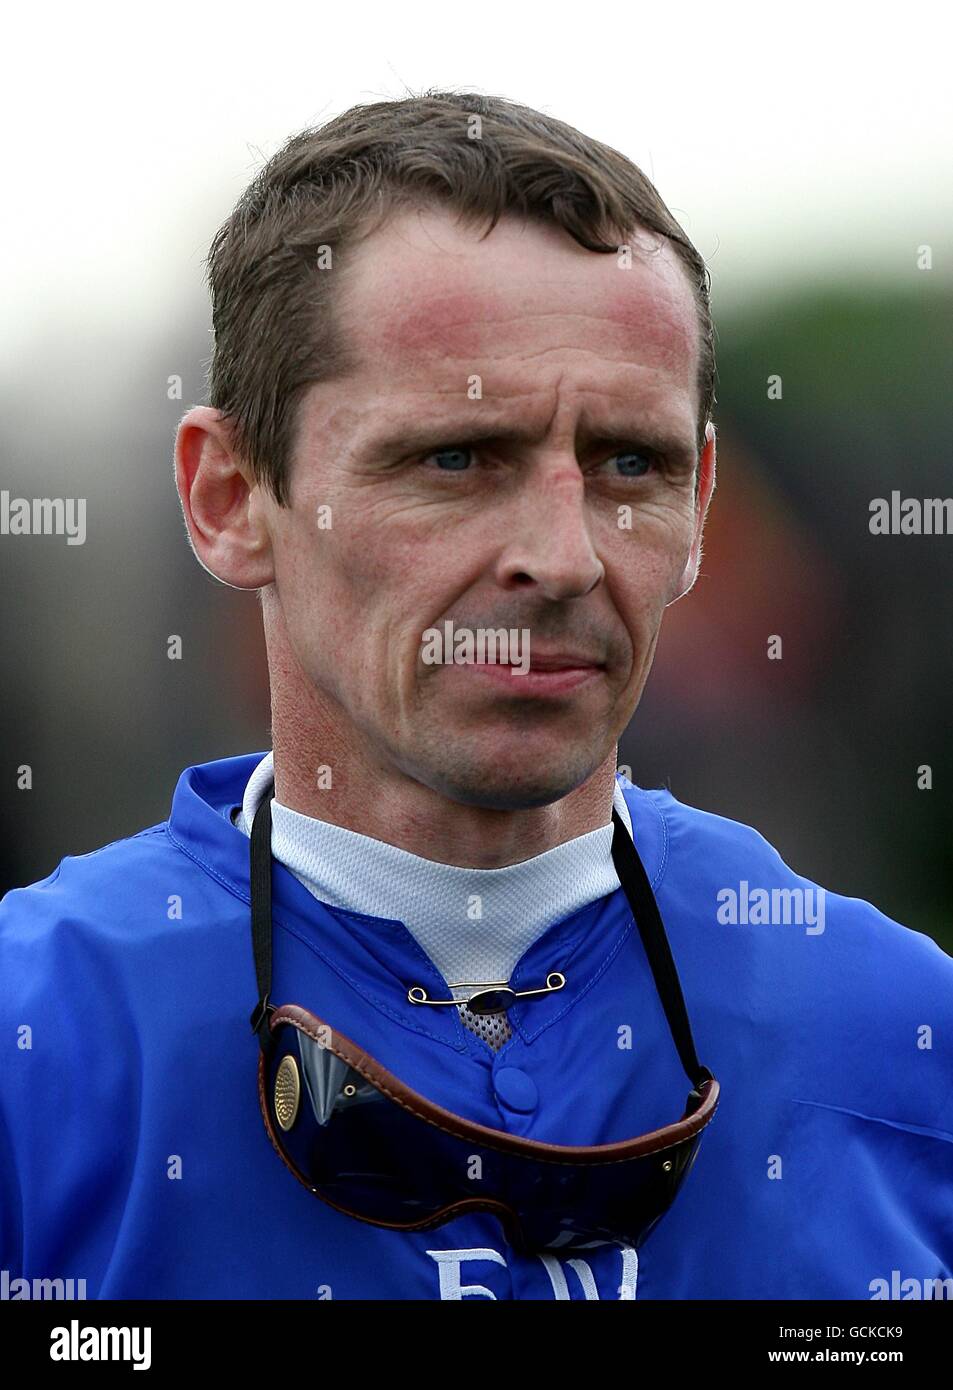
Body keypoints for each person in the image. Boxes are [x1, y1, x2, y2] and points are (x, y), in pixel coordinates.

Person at [1, 92, 950, 1303]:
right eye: (455, 458)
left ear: (702, 505)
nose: (563, 556)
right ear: (229, 498)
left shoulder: (903, 1031)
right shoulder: (33, 1044)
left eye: (629, 464)